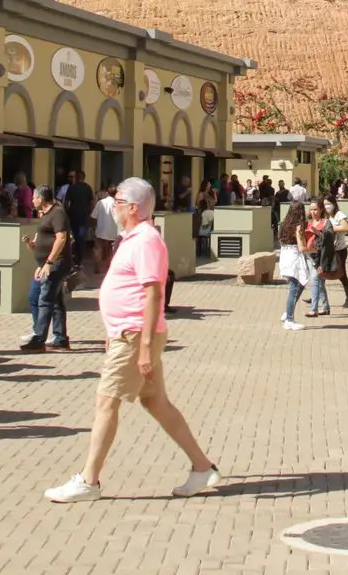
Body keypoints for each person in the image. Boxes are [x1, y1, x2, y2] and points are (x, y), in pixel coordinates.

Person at [46, 177, 219, 503]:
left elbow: (153, 294)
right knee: (156, 402)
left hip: (136, 335)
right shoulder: (133, 238)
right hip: (128, 334)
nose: (114, 206)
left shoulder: (146, 240)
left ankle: (89, 480)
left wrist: (141, 348)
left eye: (119, 201)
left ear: (134, 208)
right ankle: (201, 467)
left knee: (106, 402)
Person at [21, 186, 73, 352]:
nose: (32, 201)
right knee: (56, 301)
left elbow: (62, 237)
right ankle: (60, 338)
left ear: (42, 198)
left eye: (34, 198)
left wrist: (49, 262)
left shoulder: (57, 213)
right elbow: (44, 242)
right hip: (47, 265)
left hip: (57, 263)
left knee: (45, 300)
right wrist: (32, 246)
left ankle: (39, 339)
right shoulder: (46, 215)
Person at [276, 203, 309, 330]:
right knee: (294, 287)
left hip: (285, 255)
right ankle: (289, 319)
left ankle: (287, 312)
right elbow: (301, 247)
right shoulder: (298, 226)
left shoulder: (284, 224)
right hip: (294, 257)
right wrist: (312, 249)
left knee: (300, 283)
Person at [303, 200, 333, 318]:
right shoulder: (308, 223)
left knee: (315, 280)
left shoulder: (326, 222)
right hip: (310, 255)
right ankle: (325, 307)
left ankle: (313, 309)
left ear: (321, 210)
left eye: (315, 209)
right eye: (311, 209)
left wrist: (319, 233)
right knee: (319, 282)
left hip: (321, 256)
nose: (313, 212)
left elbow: (330, 239)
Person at [325, 197, 348, 307]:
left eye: (328, 204)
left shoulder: (339, 215)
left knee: (342, 274)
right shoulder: (327, 216)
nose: (327, 206)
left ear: (333, 204)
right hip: (328, 249)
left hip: (339, 250)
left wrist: (330, 229)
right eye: (325, 204)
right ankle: (316, 296)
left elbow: (346, 228)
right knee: (322, 273)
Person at [92, 182, 121, 273]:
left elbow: (94, 216)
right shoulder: (117, 204)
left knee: (98, 249)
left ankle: (97, 267)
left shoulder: (100, 203)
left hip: (100, 230)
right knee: (110, 251)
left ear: (107, 193)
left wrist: (94, 227)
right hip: (113, 231)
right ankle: (109, 267)